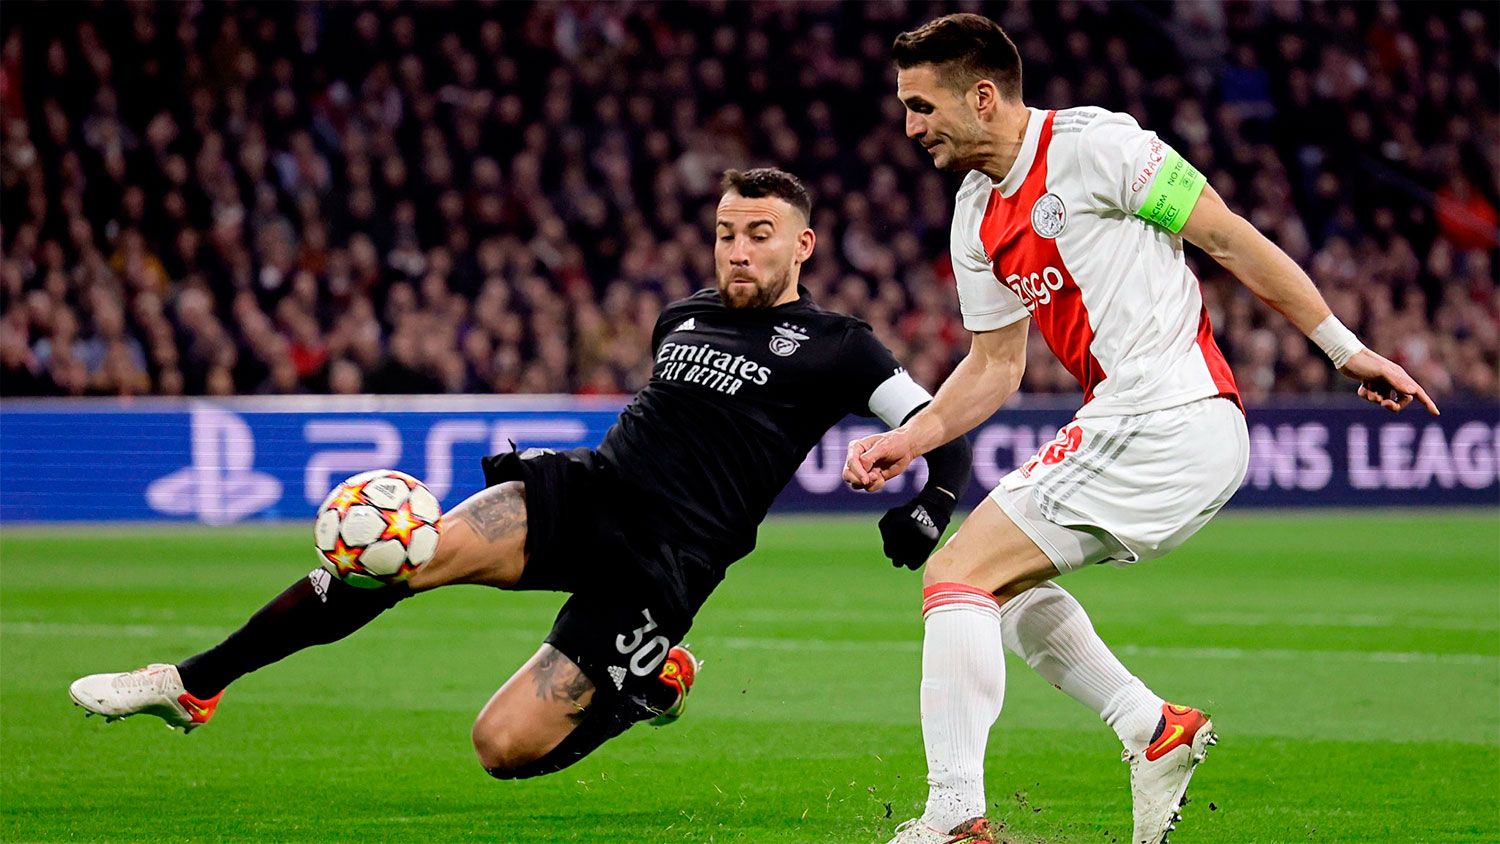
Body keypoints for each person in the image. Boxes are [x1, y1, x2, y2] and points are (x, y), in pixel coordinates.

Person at [70, 167, 975, 781]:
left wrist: (932, 502)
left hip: (668, 561)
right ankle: (194, 681)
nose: (738, 250)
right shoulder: (683, 317)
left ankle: (651, 686)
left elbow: (942, 423)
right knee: (401, 554)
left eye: (760, 235)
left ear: (803, 245)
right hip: (588, 493)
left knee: (501, 748)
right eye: (726, 233)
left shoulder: (839, 347)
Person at [842, 15, 1441, 844]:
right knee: (997, 590)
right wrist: (910, 439)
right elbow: (995, 367)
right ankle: (1151, 727)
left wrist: (1345, 349)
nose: (910, 127)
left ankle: (953, 816)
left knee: (955, 574)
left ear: (982, 97)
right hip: (1141, 423)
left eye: (921, 106)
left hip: (1169, 412)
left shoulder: (1099, 146)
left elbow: (1228, 236)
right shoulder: (975, 215)